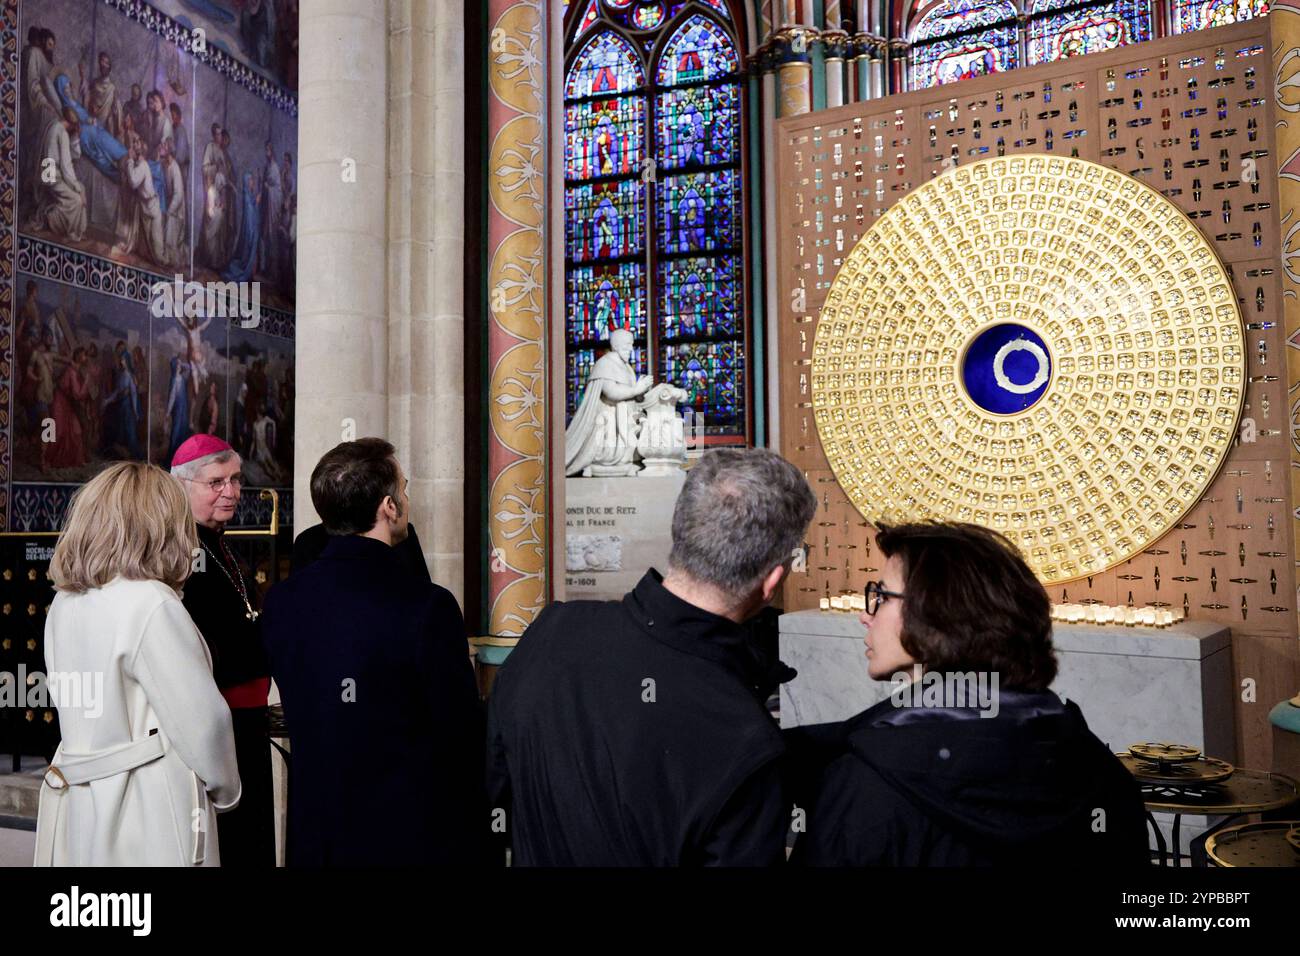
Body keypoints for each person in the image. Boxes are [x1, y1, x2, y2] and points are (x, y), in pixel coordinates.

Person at [488, 447, 816, 866]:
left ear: (681, 530)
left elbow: (494, 796)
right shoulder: (747, 739)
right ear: (771, 581)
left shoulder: (552, 631)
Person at [789, 522, 1150, 867]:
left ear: (937, 616)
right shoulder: (1103, 774)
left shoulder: (867, 784)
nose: (866, 616)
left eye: (882, 596)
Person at [261, 438, 491, 866]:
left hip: (316, 835)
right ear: (389, 506)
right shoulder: (427, 605)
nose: (406, 498)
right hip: (404, 835)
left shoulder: (282, 602)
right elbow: (459, 734)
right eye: (403, 489)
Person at [34, 462, 240, 866]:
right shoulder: (151, 602)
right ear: (162, 524)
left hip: (80, 797)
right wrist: (226, 790)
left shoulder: (66, 601)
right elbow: (202, 721)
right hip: (148, 803)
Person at [171, 434, 275, 867]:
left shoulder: (223, 547)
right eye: (215, 482)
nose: (231, 492)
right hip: (215, 726)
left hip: (249, 721)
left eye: (234, 480)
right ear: (183, 487)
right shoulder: (177, 553)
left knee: (252, 837)